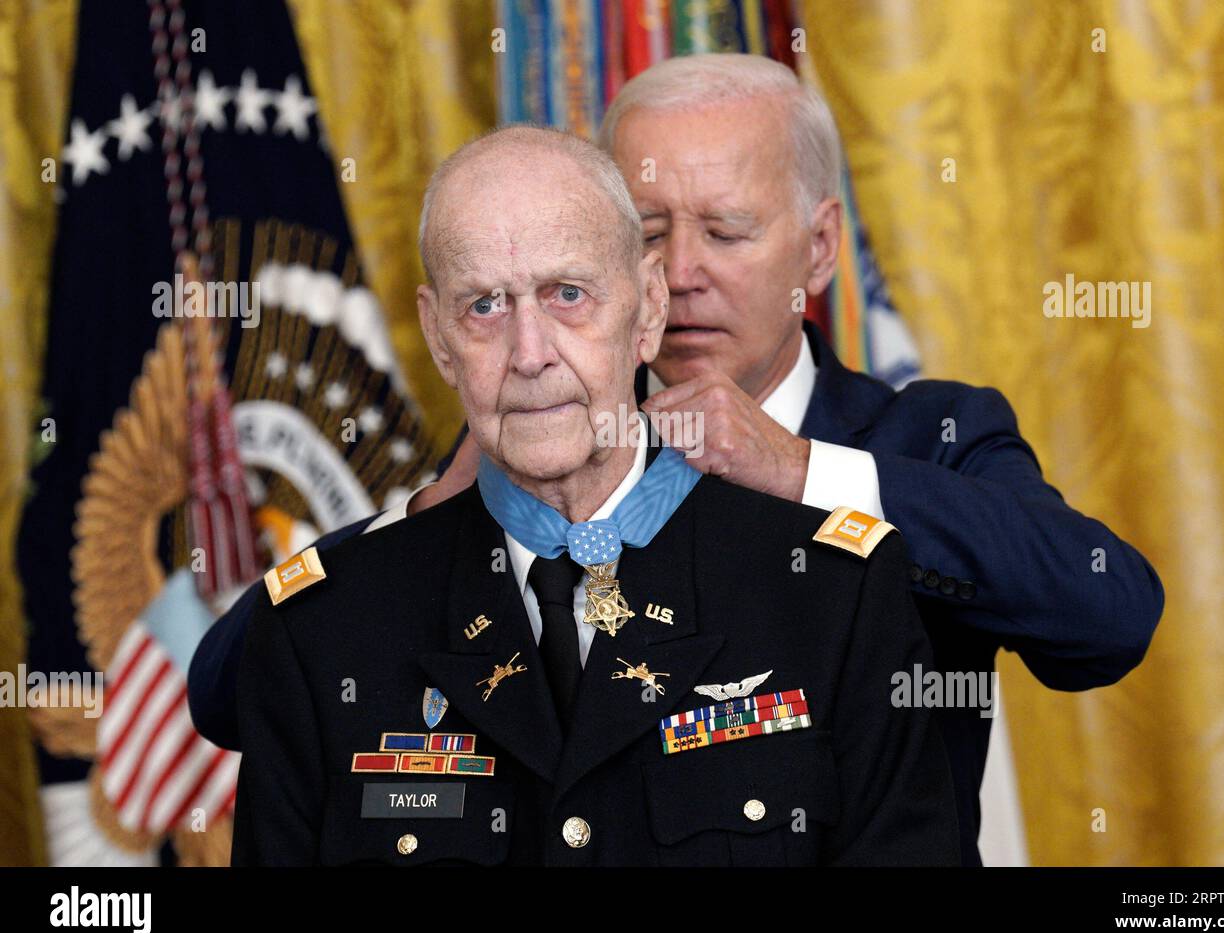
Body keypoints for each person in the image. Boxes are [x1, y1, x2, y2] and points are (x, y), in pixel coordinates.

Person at [200, 54, 1163, 865]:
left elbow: (1109, 614)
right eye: (650, 232)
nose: (685, 270)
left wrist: (795, 471)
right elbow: (240, 688)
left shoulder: (920, 437)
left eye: (728, 231)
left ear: (821, 248)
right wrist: (437, 511)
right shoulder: (520, 422)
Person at [231, 126, 959, 866]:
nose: (529, 354)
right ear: (439, 336)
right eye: (484, 306)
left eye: (568, 295)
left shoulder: (832, 596)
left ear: (647, 308)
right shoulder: (323, 630)